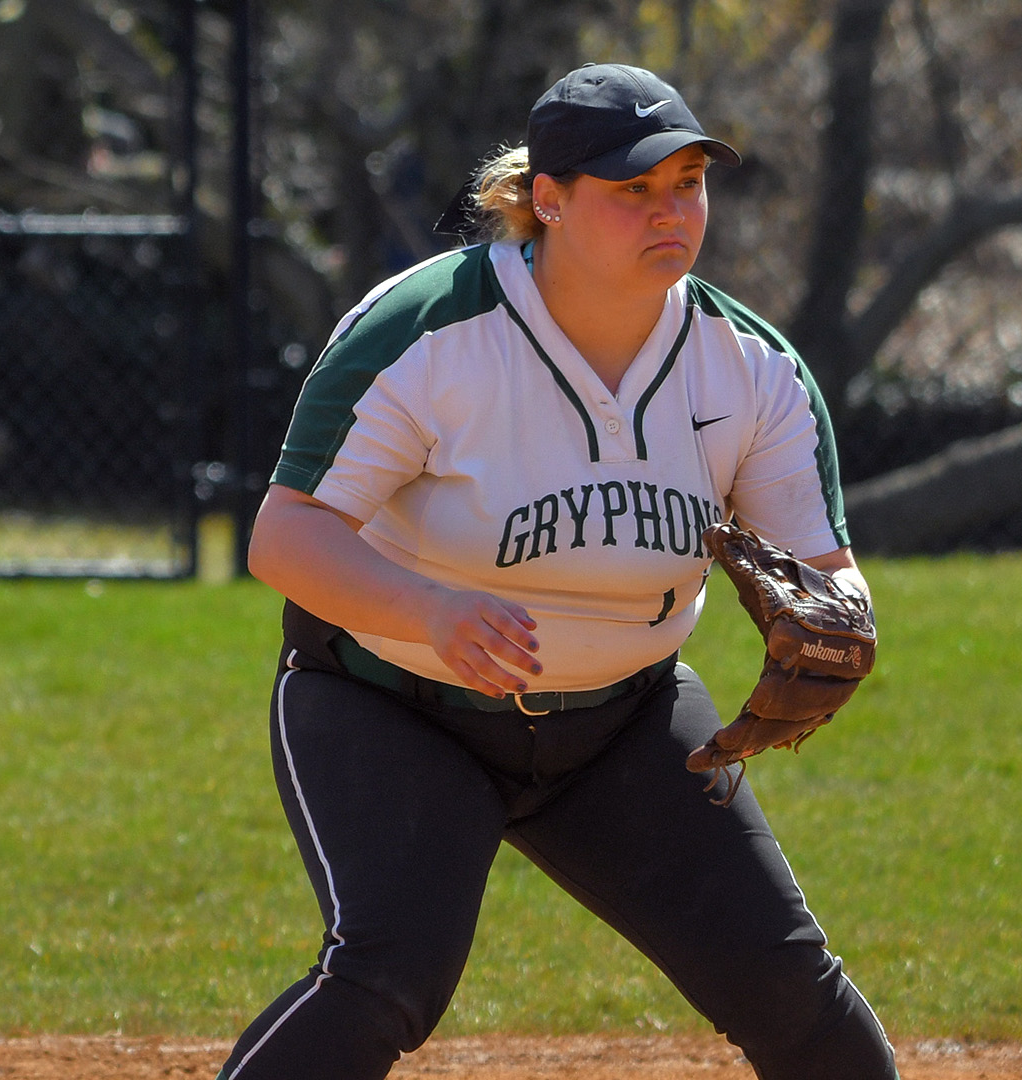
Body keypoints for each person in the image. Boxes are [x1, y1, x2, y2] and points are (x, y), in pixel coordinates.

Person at [217, 62, 898, 1080]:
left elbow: (826, 571)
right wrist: (431, 610)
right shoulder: (428, 333)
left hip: (626, 721)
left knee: (789, 992)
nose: (671, 211)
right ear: (548, 197)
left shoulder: (749, 369)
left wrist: (839, 629)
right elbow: (284, 536)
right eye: (633, 190)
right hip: (393, 706)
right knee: (386, 977)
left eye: (687, 185)